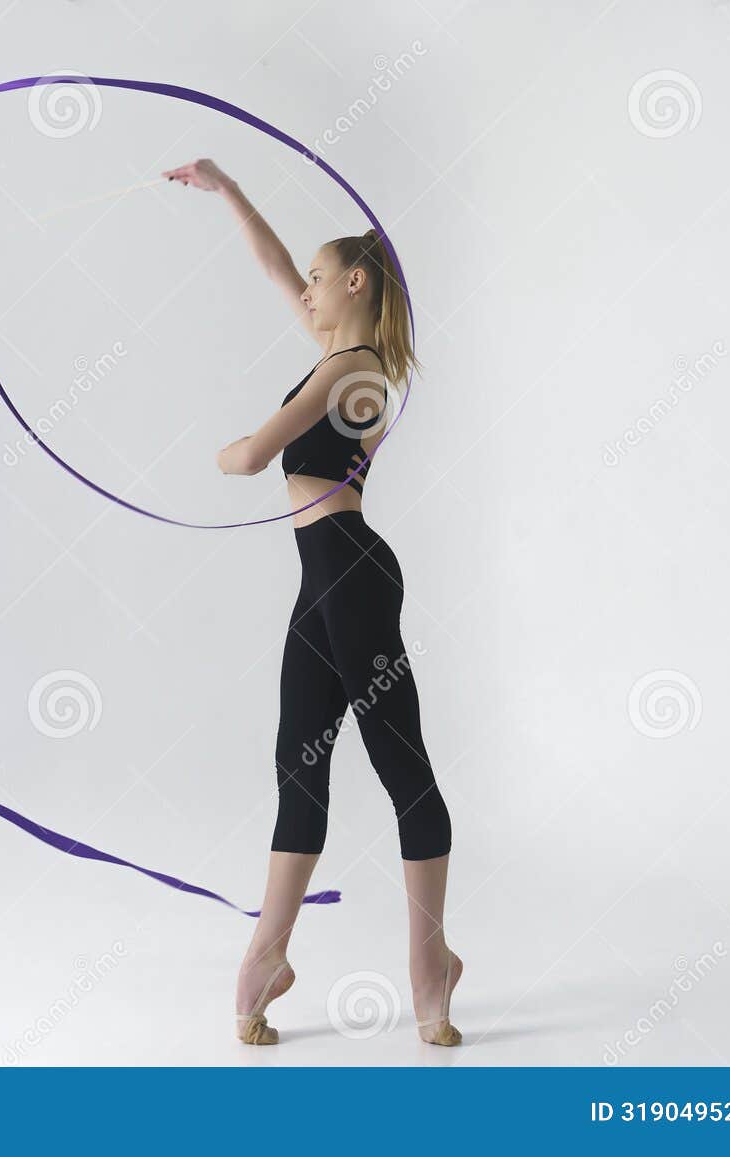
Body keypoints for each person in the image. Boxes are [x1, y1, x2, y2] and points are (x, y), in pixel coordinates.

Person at [162, 158, 463, 1047]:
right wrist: (229, 191)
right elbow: (273, 268)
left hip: (353, 572)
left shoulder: (352, 369)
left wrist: (220, 453)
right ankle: (269, 953)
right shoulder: (338, 354)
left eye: (321, 279)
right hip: (321, 575)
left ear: (356, 282)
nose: (308, 289)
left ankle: (429, 964)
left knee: (402, 767)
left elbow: (253, 456)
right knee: (300, 768)